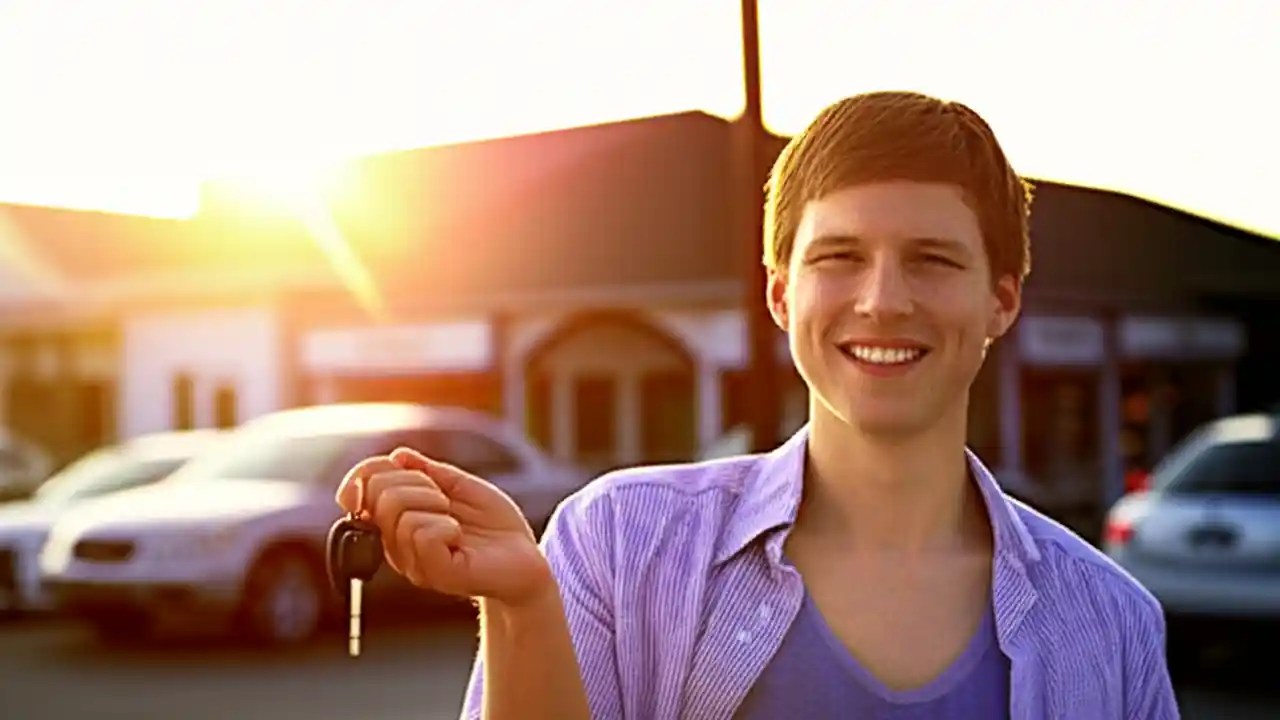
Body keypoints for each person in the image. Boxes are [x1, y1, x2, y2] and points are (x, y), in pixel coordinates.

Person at [336, 91, 1178, 719]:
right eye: (840, 256)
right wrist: (521, 608)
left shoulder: (1110, 624)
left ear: (1003, 301)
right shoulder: (617, 545)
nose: (882, 300)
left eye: (931, 259)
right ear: (780, 293)